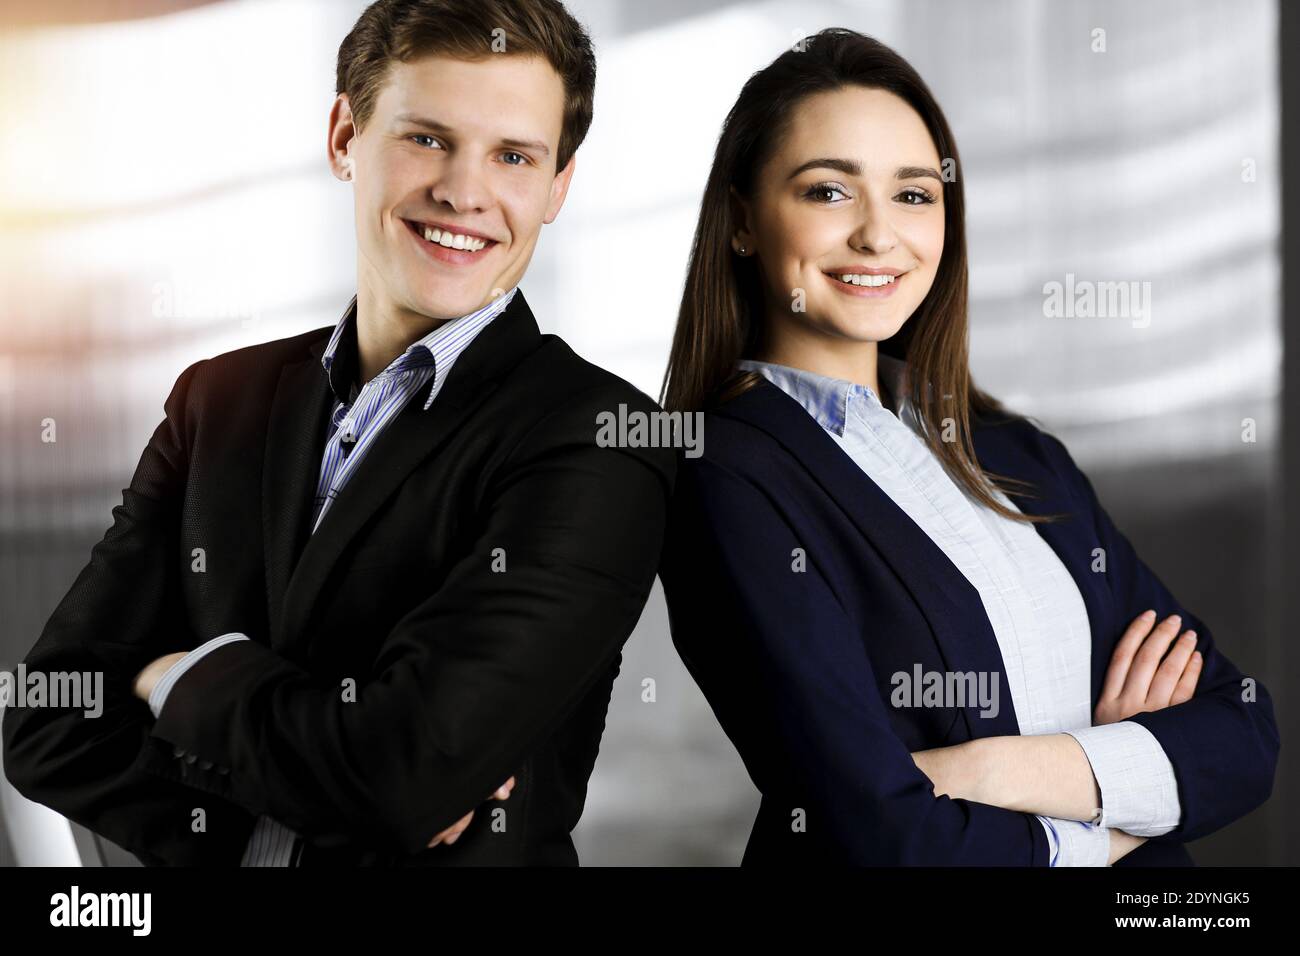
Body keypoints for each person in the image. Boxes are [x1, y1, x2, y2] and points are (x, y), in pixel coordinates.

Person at [2, 0, 675, 867]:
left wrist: (169, 679)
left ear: (558, 187)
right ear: (343, 138)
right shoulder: (218, 402)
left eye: (513, 155)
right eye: (426, 138)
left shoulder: (598, 438)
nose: (463, 192)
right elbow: (47, 722)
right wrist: (330, 781)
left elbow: (404, 778)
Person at [657, 28, 1278, 866]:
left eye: (914, 195)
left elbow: (1242, 729)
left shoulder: (1018, 453)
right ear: (740, 221)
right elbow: (881, 831)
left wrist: (988, 769)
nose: (880, 236)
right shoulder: (722, 474)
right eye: (829, 191)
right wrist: (1116, 806)